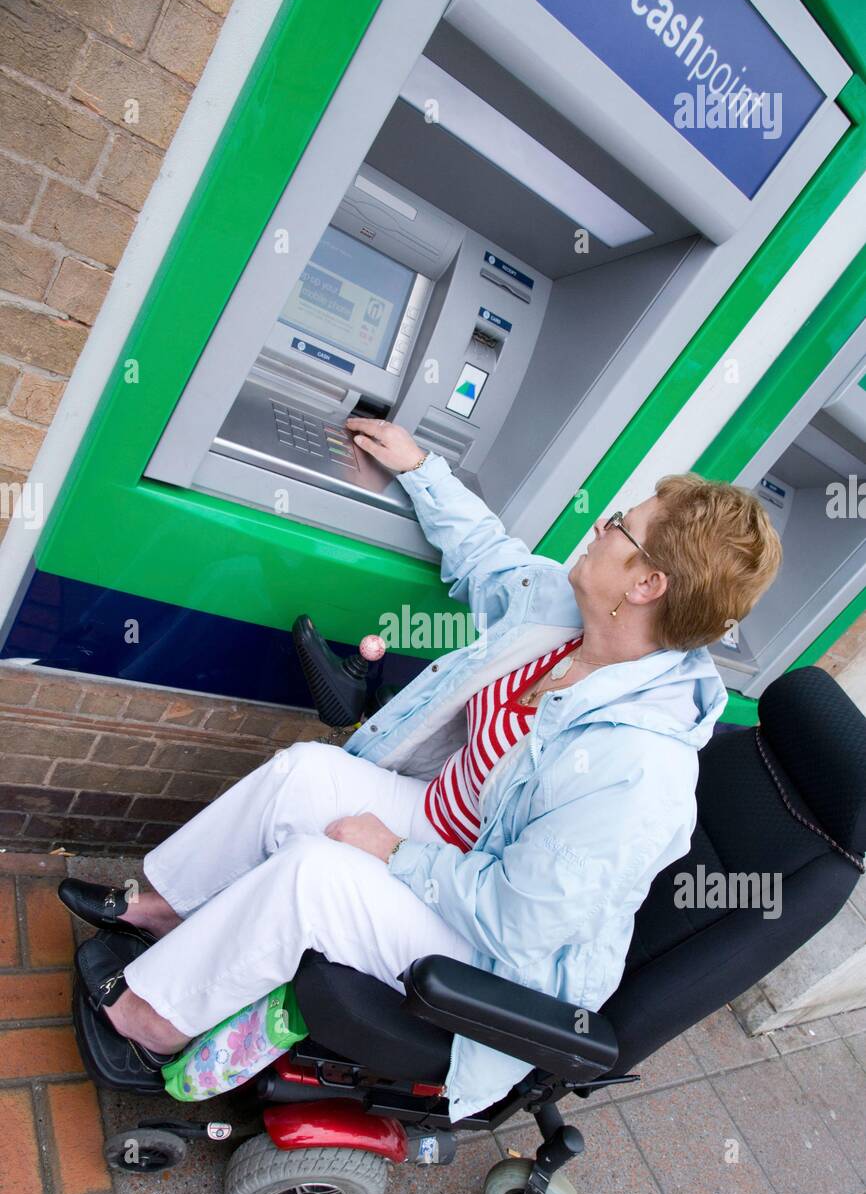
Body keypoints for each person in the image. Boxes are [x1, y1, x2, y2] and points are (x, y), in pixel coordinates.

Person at [62, 421, 782, 1123]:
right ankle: (171, 912)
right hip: (448, 830)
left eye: (621, 526)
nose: (603, 526)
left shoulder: (638, 767)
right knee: (304, 775)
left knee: (318, 876)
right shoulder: (567, 614)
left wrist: (396, 853)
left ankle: (157, 1024)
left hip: (493, 952)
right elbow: (486, 556)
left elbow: (521, 921)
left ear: (648, 583)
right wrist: (416, 467)